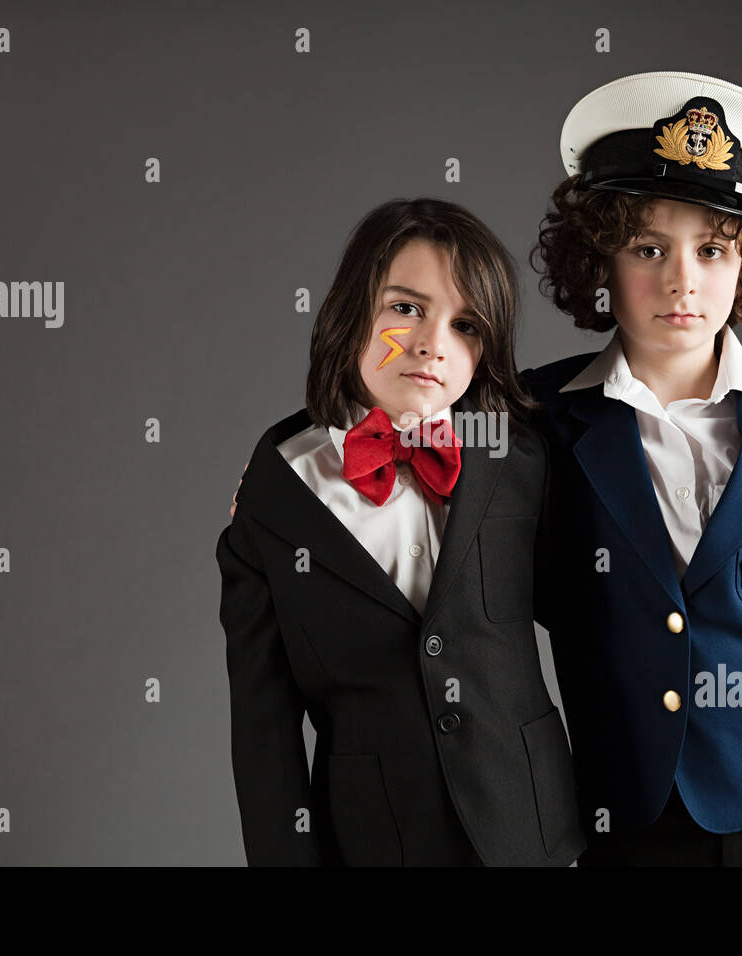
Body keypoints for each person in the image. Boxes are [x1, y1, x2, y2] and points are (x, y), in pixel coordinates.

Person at [523, 72, 742, 866]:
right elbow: (418, 444)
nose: (682, 280)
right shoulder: (535, 416)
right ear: (598, 260)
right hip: (607, 820)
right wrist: (295, 467)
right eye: (648, 249)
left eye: (712, 250)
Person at [216, 197, 586, 866]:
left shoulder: (520, 457)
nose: (431, 345)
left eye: (466, 325)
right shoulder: (275, 500)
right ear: (350, 309)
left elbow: (597, 612)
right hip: (377, 840)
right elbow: (263, 733)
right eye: (406, 308)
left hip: (531, 830)